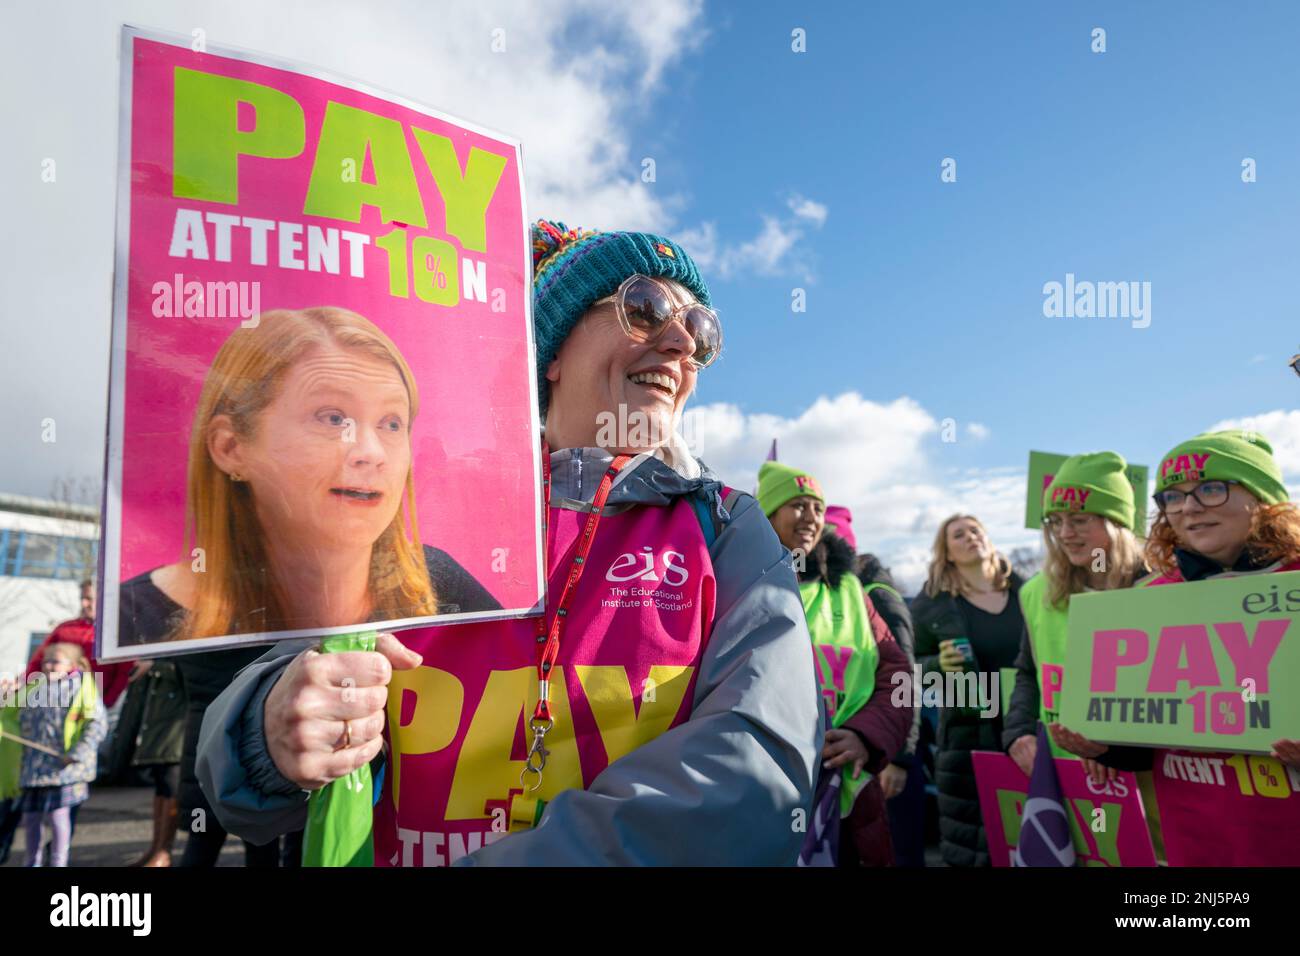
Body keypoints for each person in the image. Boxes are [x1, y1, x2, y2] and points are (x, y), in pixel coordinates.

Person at [197, 220, 821, 866]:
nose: (677, 345)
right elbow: (241, 776)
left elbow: (751, 780)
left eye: (700, 333)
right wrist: (266, 733)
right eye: (646, 308)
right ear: (550, 353)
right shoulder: (419, 510)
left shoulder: (726, 529)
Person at [119, 306, 500, 649]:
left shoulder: (441, 586)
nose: (371, 453)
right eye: (333, 418)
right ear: (231, 448)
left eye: (391, 423)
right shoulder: (132, 621)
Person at [1052, 430, 1300, 866]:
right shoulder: (1152, 599)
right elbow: (1155, 731)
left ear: (1262, 497)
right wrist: (1105, 747)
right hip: (1199, 839)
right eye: (1172, 497)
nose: (1188, 507)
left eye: (1210, 488)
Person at [762, 471, 912, 866]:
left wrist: (864, 735)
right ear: (767, 515)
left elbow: (896, 676)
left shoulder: (849, 590)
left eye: (818, 508)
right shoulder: (741, 582)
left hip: (849, 791)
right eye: (797, 506)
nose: (811, 517)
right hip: (767, 785)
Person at [1002, 452, 1147, 788]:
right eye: (1056, 520)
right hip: (1062, 774)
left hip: (1144, 782)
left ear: (1117, 524)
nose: (1065, 533)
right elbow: (1028, 671)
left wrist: (1116, 749)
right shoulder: (1038, 591)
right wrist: (1018, 732)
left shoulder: (1157, 587)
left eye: (1080, 520)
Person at [912, 514, 1025, 867]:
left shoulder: (1029, 592)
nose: (970, 537)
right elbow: (905, 669)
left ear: (988, 539)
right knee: (981, 848)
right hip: (968, 740)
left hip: (1030, 731)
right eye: (958, 535)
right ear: (947, 554)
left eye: (975, 530)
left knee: (1038, 836)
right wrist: (936, 666)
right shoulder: (932, 604)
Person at [825, 503, 926, 866]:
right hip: (861, 753)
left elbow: (903, 676)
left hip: (887, 754)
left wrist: (901, 757)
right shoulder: (827, 597)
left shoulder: (875, 595)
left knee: (897, 848)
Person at [17, 642, 107, 866]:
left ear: (72, 665)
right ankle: (32, 862)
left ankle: (59, 862)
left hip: (64, 768)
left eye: (55, 661)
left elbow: (96, 724)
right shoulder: (32, 688)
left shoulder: (83, 687)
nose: (49, 666)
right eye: (46, 661)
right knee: (31, 819)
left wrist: (77, 753)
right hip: (34, 767)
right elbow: (14, 718)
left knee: (58, 817)